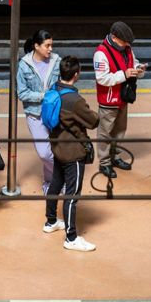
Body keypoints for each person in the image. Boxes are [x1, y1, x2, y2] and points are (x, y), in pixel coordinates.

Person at [42, 56, 99, 252]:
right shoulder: (75, 100)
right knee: (72, 194)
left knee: (55, 184)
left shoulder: (54, 90)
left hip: (57, 147)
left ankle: (50, 222)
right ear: (77, 74)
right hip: (73, 152)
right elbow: (94, 121)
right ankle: (71, 238)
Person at [94, 22, 143, 178]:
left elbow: (133, 62)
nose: (127, 44)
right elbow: (102, 78)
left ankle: (115, 157)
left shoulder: (127, 48)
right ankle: (104, 163)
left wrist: (139, 68)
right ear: (114, 38)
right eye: (124, 41)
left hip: (122, 98)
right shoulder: (101, 53)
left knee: (120, 131)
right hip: (108, 101)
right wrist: (125, 74)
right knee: (105, 133)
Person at [16, 29, 61, 192]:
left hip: (55, 111)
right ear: (36, 46)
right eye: (47, 45)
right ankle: (61, 176)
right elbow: (22, 93)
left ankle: (50, 183)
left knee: (56, 148)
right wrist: (44, 96)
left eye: (51, 45)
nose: (50, 49)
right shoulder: (24, 65)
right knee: (44, 153)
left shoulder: (57, 61)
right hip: (35, 114)